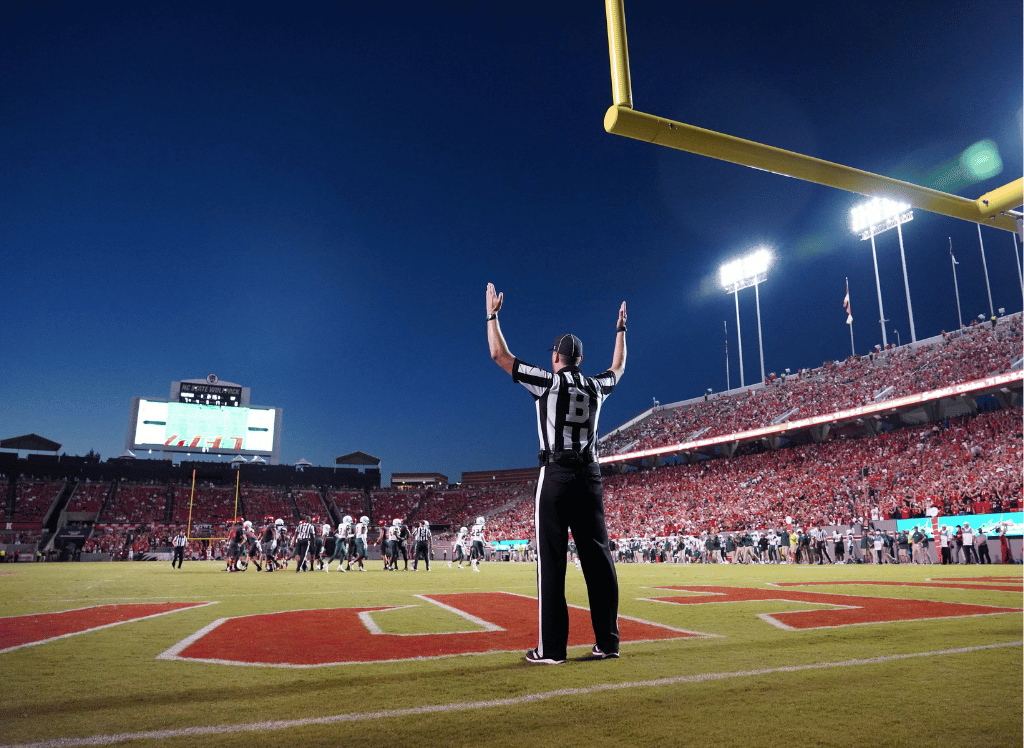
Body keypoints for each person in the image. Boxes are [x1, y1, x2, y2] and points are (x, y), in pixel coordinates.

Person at [486, 282, 626, 664]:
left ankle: (552, 648)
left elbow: (499, 354)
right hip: (591, 476)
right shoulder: (595, 386)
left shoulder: (548, 381)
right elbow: (618, 368)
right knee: (599, 559)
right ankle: (608, 642)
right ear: (579, 359)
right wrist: (620, 331)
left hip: (557, 474)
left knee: (551, 561)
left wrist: (492, 316)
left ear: (556, 358)